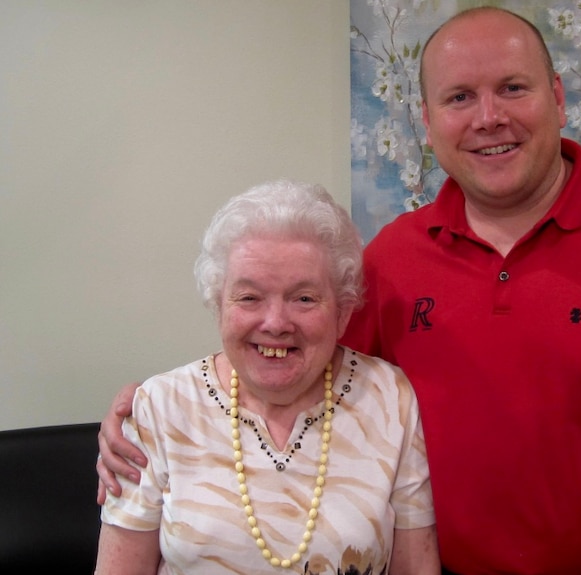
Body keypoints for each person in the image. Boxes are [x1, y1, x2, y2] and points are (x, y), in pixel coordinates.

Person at [97, 7, 581, 574]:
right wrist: (148, 413)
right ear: (428, 122)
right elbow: (292, 361)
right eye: (459, 97)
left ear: (559, 98)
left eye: (513, 87)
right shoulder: (390, 258)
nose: (488, 117)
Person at [94, 180, 439, 574]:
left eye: (304, 298)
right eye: (249, 298)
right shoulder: (160, 408)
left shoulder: (388, 398)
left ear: (343, 312)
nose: (275, 323)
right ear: (218, 305)